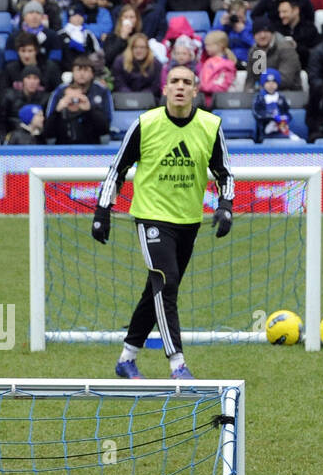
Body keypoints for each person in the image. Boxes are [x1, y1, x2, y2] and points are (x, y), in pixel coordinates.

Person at [92, 65, 234, 379]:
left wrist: (226, 206)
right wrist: (103, 212)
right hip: (151, 217)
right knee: (166, 284)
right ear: (165, 88)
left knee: (156, 290)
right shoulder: (146, 124)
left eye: (187, 82)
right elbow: (118, 169)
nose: (180, 87)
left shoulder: (210, 126)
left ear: (196, 90)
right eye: (174, 81)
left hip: (189, 220)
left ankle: (126, 359)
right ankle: (177, 364)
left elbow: (225, 173)